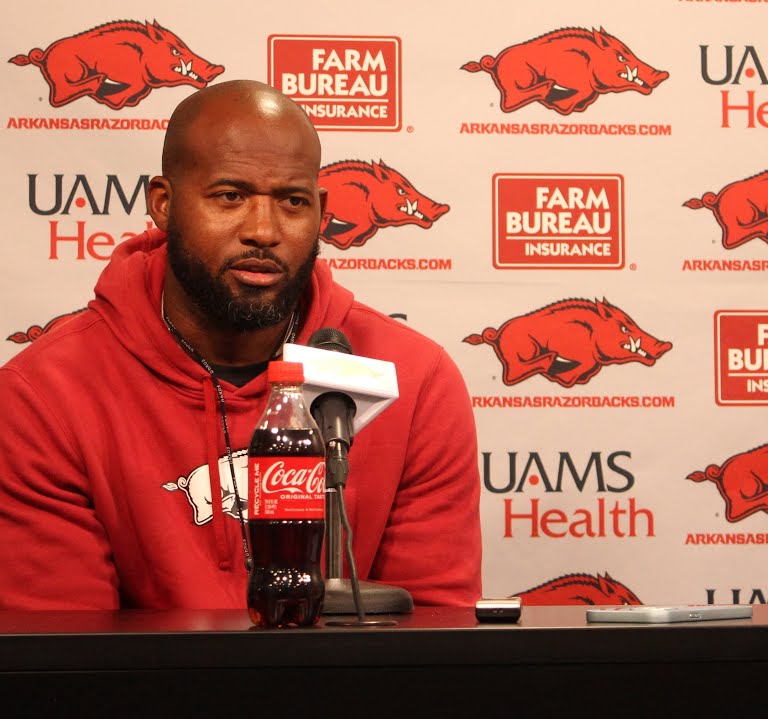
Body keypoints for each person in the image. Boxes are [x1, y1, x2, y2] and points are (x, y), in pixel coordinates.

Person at [0, 80, 481, 610]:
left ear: (321, 212)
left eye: (292, 202)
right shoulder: (45, 395)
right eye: (230, 196)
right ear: (163, 204)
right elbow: (66, 647)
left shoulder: (412, 378)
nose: (263, 231)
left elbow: (432, 632)